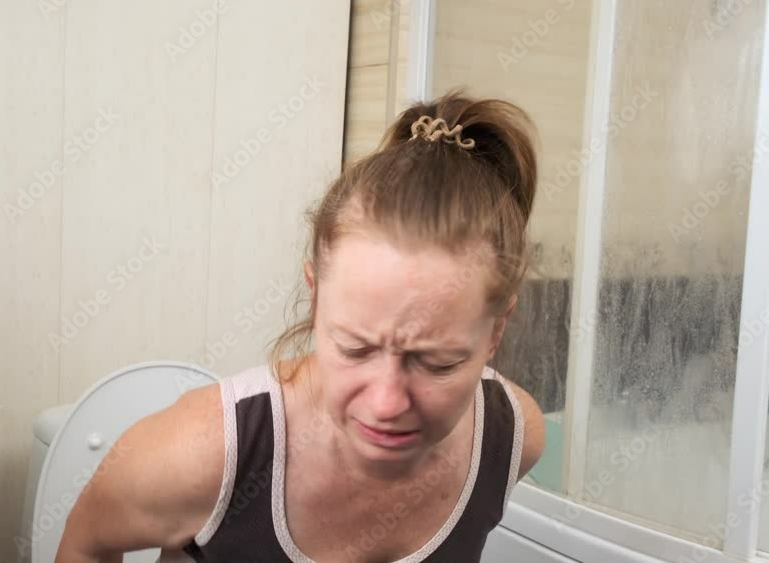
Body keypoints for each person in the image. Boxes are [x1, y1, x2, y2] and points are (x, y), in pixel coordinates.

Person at [55, 90, 546, 563]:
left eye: (437, 363)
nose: (386, 403)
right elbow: (87, 544)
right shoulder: (206, 453)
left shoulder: (510, 439)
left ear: (496, 331)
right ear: (314, 296)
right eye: (355, 348)